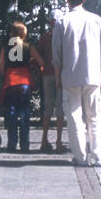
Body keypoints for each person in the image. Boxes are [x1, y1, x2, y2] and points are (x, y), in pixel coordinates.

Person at [51, 0, 101, 167]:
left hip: (70, 75)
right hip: (92, 74)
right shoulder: (96, 20)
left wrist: (58, 75)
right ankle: (99, 156)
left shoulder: (62, 21)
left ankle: (80, 156)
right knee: (95, 116)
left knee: (74, 117)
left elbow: (56, 53)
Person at [0, 21, 36, 153]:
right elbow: (41, 61)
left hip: (10, 81)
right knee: (24, 114)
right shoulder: (28, 46)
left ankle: (12, 144)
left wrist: (5, 74)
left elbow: (1, 65)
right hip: (24, 82)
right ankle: (25, 144)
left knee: (11, 114)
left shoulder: (6, 47)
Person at [33, 20, 64, 153]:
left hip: (47, 74)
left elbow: (37, 52)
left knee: (47, 107)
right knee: (60, 107)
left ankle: (44, 140)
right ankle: (58, 141)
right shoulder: (63, 36)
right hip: (60, 74)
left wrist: (42, 64)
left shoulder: (45, 37)